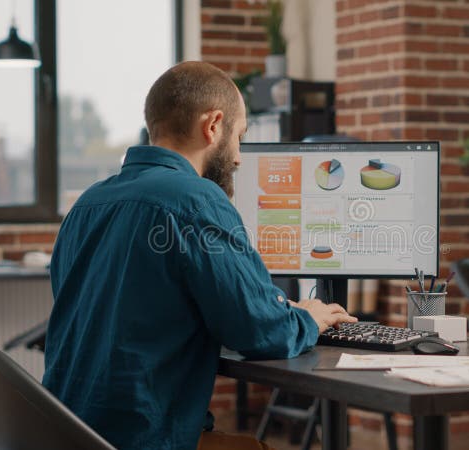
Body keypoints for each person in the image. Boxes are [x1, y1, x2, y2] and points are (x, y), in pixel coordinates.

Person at [42, 61, 357, 450]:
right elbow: (261, 332)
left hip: (62, 433)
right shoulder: (196, 200)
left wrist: (267, 307)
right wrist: (308, 317)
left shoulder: (88, 203)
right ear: (213, 125)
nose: (238, 157)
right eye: (239, 136)